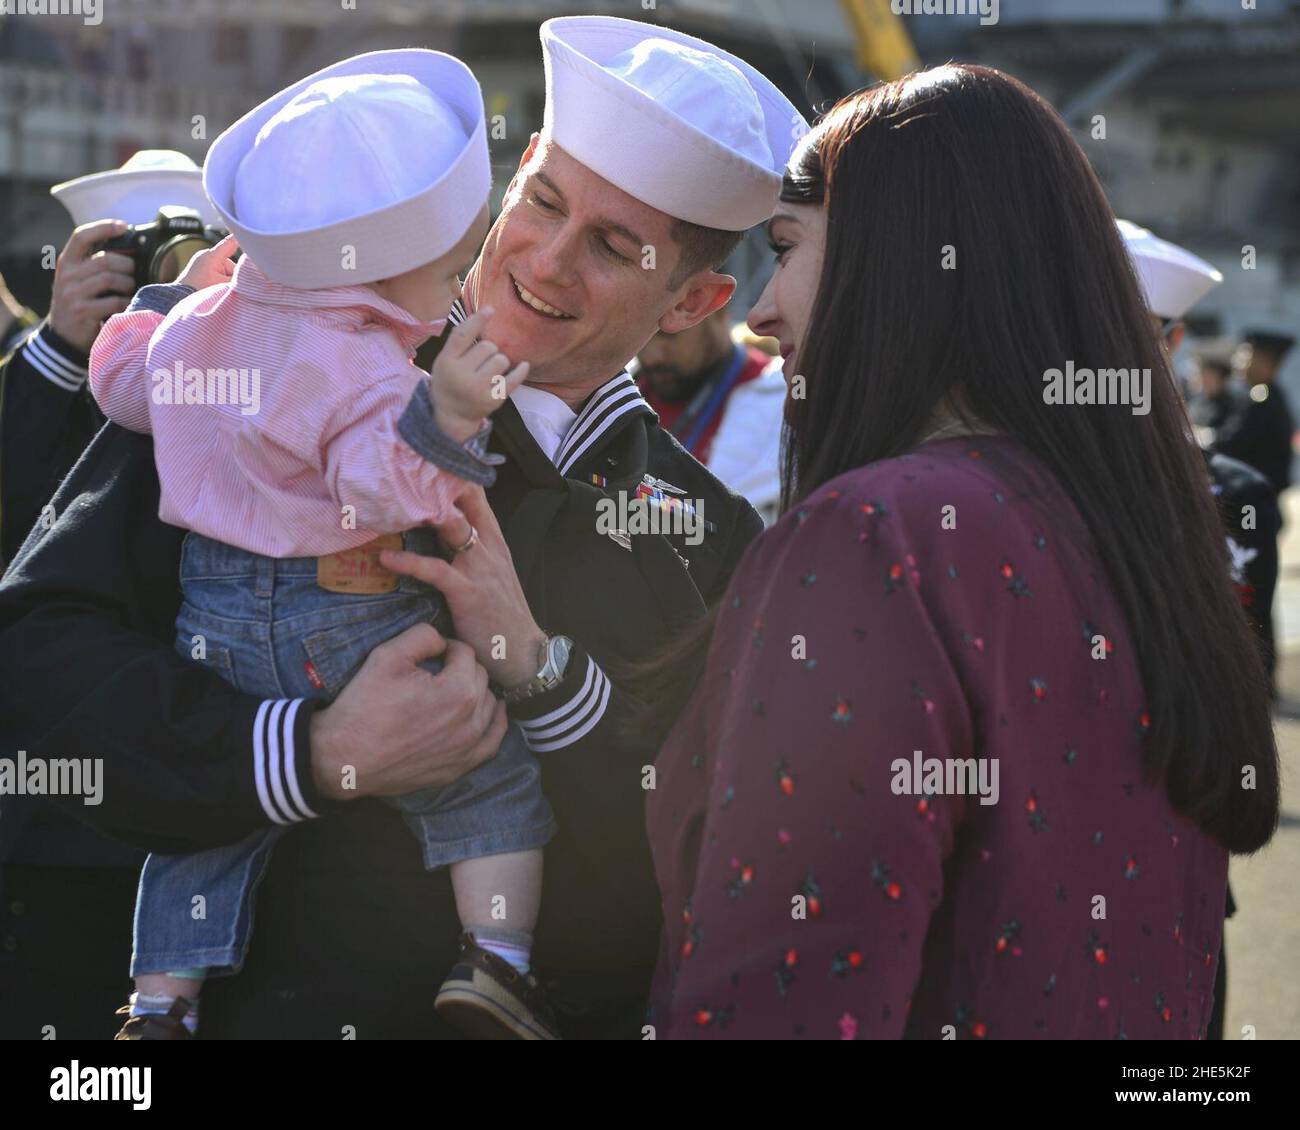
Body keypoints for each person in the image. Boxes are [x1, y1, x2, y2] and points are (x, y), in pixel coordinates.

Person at [0, 16, 801, 1039]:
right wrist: (308, 749)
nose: (546, 264)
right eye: (542, 201)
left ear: (695, 298)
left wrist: (540, 674)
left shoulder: (706, 539)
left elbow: (698, 862)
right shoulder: (268, 346)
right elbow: (37, 653)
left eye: (610, 246)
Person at [645, 65, 1279, 1039]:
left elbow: (785, 1002)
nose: (759, 313)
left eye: (784, 246)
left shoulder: (875, 537)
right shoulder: (1142, 538)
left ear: (901, 258)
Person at [90, 54, 566, 1041]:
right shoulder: (364, 366)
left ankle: (159, 1003)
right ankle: (497, 961)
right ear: (396, 261)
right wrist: (450, 418)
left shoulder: (202, 321)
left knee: (215, 813)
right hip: (344, 609)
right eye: (445, 269)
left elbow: (124, 392)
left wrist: (148, 309)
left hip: (210, 616)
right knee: (485, 774)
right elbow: (377, 488)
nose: (450, 294)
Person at [1119, 218, 1281, 1040]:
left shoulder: (1232, 493)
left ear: (1173, 340)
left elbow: (1241, 668)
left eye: (1125, 332)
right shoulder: (996, 482)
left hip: (1180, 847)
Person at [0, 150, 217, 567]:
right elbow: (17, 506)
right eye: (148, 256)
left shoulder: (243, 369)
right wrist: (61, 341)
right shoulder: (65, 373)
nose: (169, 277)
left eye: (191, 257)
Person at [636, 306, 786, 523]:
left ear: (717, 308)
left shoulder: (786, 399)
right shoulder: (606, 395)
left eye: (667, 334)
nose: (651, 357)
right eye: (640, 336)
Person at [1215, 330, 1296, 498]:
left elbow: (1233, 442)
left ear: (1266, 363)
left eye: (1246, 354)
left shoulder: (1263, 398)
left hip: (1256, 494)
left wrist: (1203, 438)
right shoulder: (1261, 394)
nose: (1238, 360)